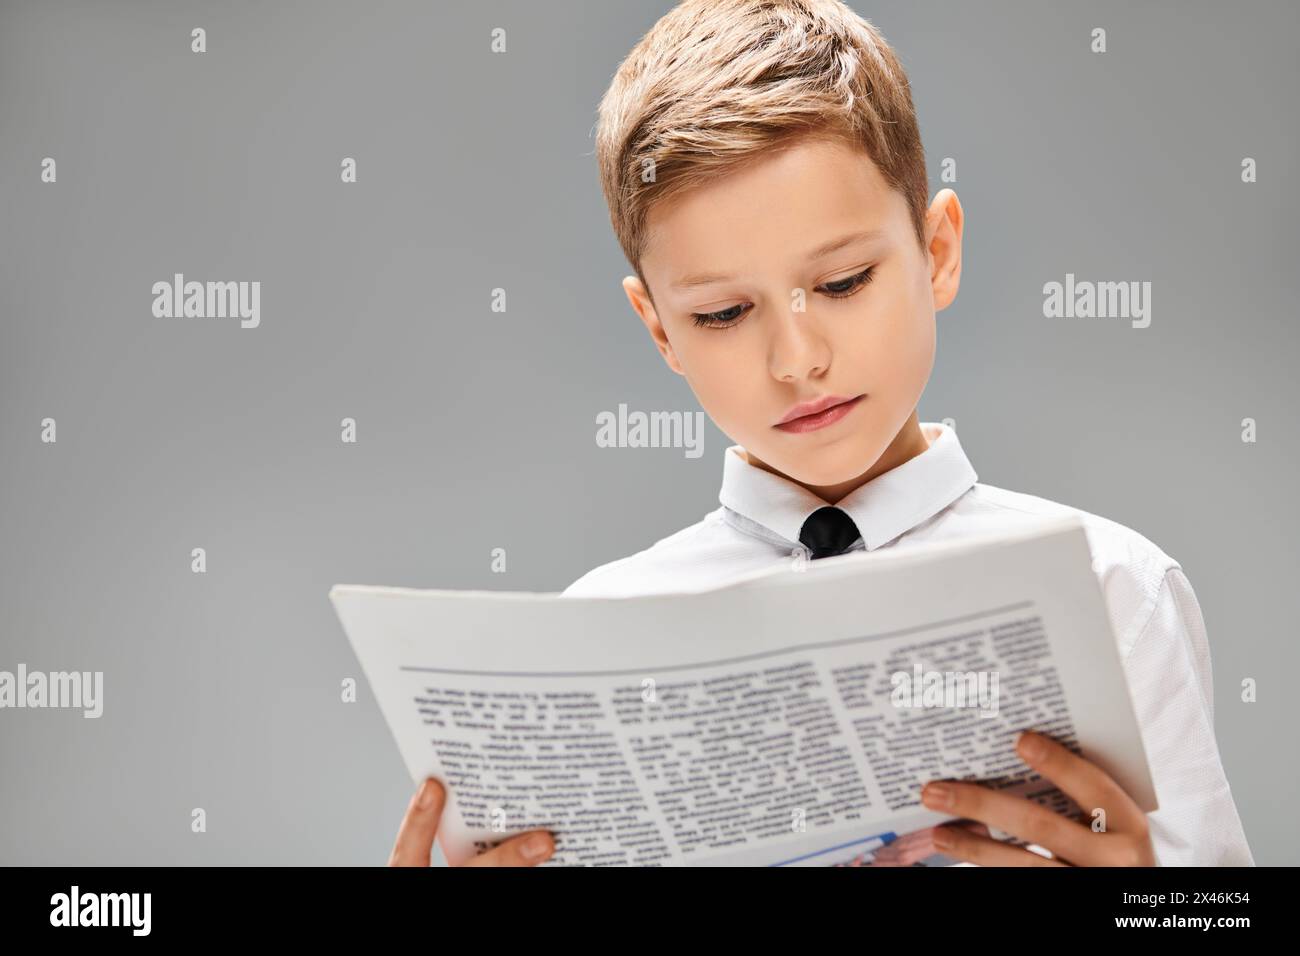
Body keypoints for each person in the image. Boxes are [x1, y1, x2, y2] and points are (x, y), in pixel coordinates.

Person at [389, 0, 1253, 868]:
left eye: (841, 282)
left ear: (938, 251)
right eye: (724, 312)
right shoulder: (587, 642)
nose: (796, 359)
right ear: (659, 332)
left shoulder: (1111, 589)